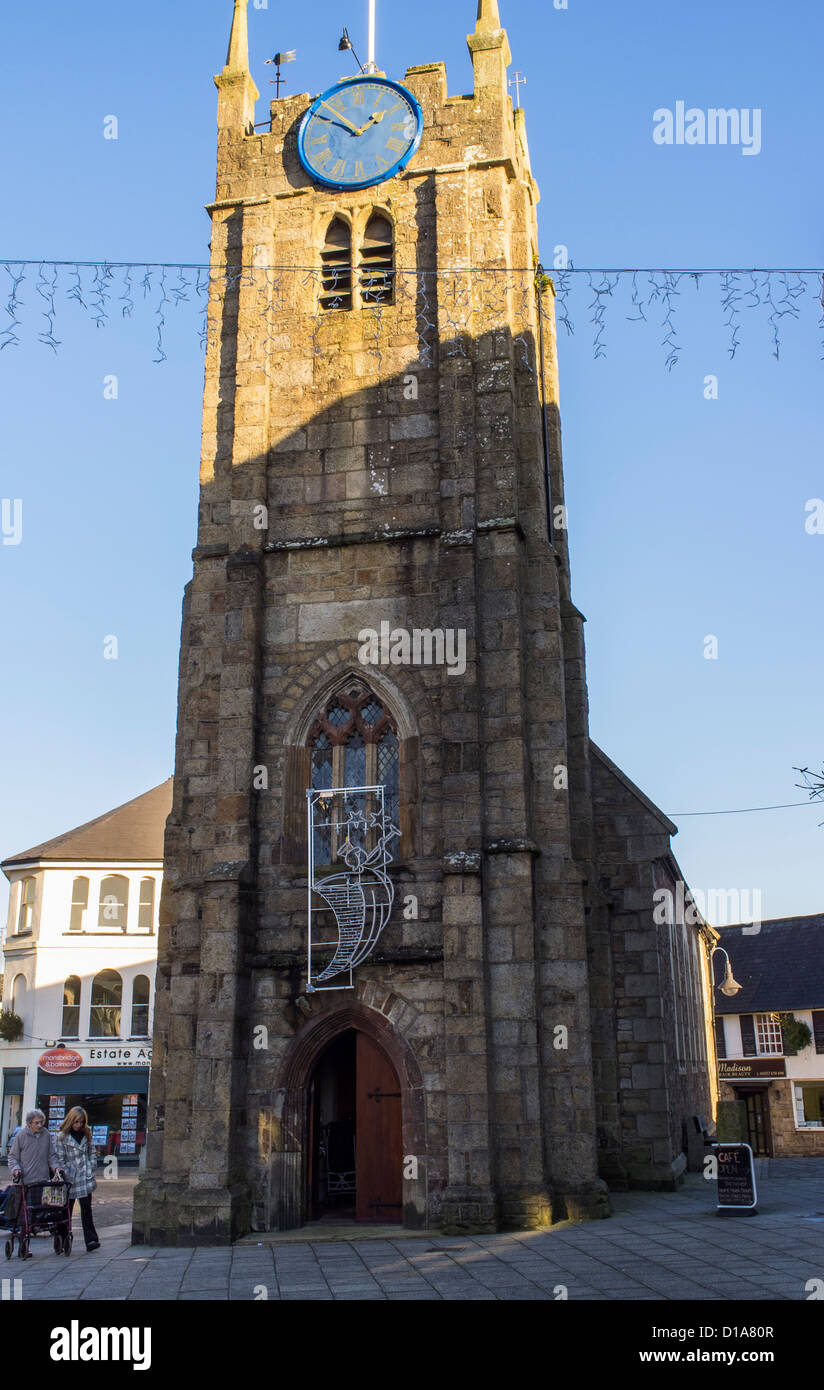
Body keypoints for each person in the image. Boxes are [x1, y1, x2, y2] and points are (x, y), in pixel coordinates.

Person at [54, 1107, 100, 1252]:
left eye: (81, 1122)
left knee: (86, 1209)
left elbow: (92, 1151)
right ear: (70, 1120)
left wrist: (91, 1166)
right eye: (76, 1122)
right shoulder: (61, 1137)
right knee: (65, 1209)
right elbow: (60, 1158)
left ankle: (91, 1240)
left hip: (85, 1176)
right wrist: (66, 1173)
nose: (78, 1125)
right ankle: (63, 1238)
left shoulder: (87, 1134)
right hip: (70, 1178)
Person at [8, 1109, 59, 1185]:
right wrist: (16, 1170)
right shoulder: (21, 1135)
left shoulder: (46, 1134)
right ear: (29, 1123)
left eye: (41, 1122)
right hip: (25, 1181)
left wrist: (56, 1167)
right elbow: (13, 1157)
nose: (40, 1125)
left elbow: (51, 1155)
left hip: (43, 1180)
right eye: (36, 1123)